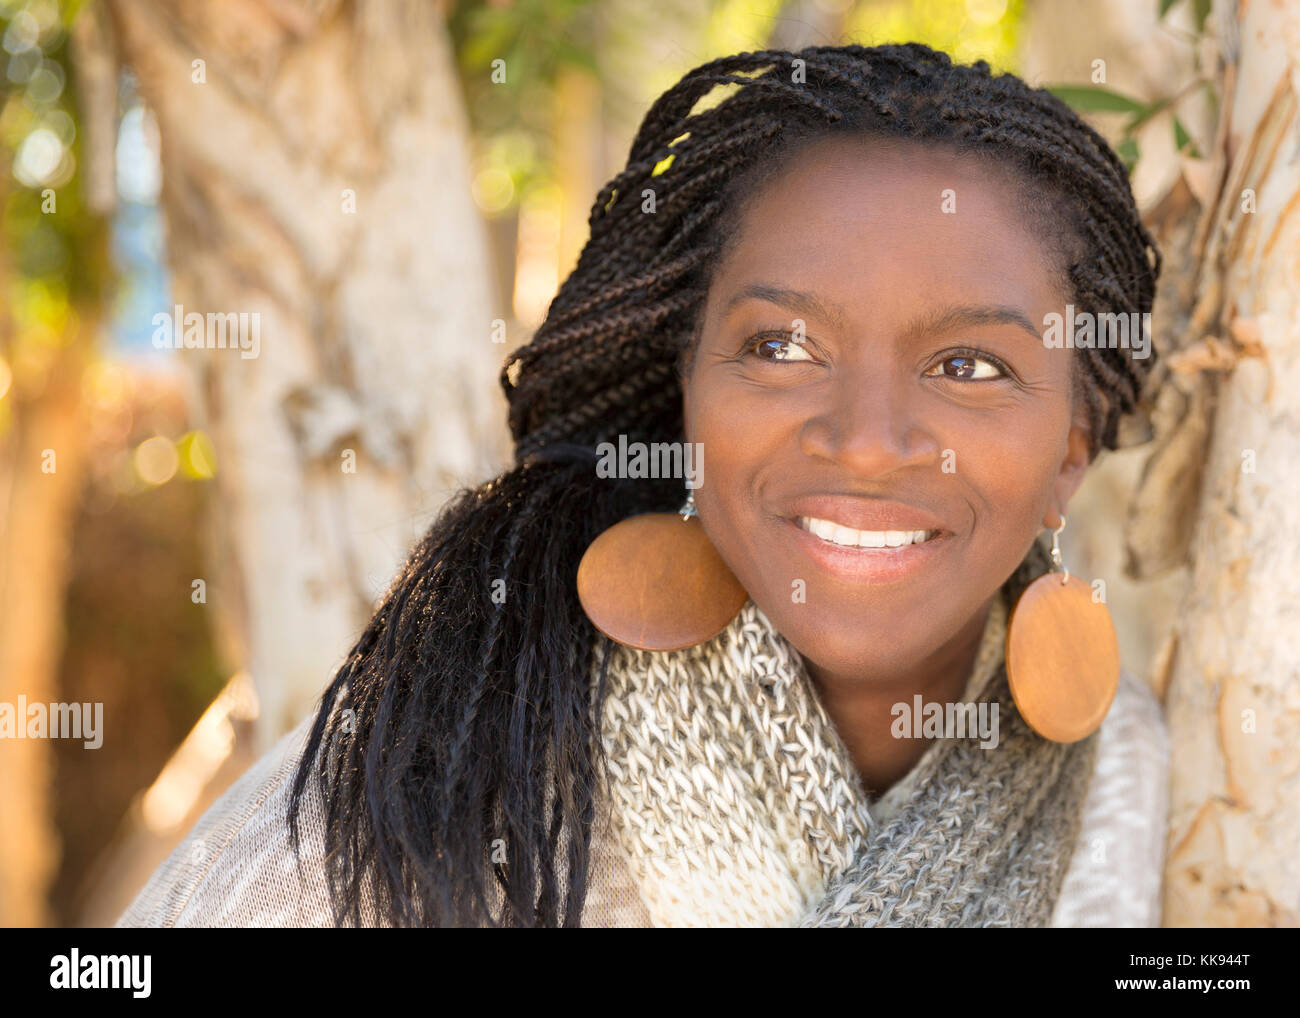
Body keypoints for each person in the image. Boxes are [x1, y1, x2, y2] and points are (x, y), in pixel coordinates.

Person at [117, 42, 1168, 928]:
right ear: (685, 390)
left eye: (969, 366)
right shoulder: (457, 760)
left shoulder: (1147, 782)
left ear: (1070, 449)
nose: (866, 440)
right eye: (782, 344)